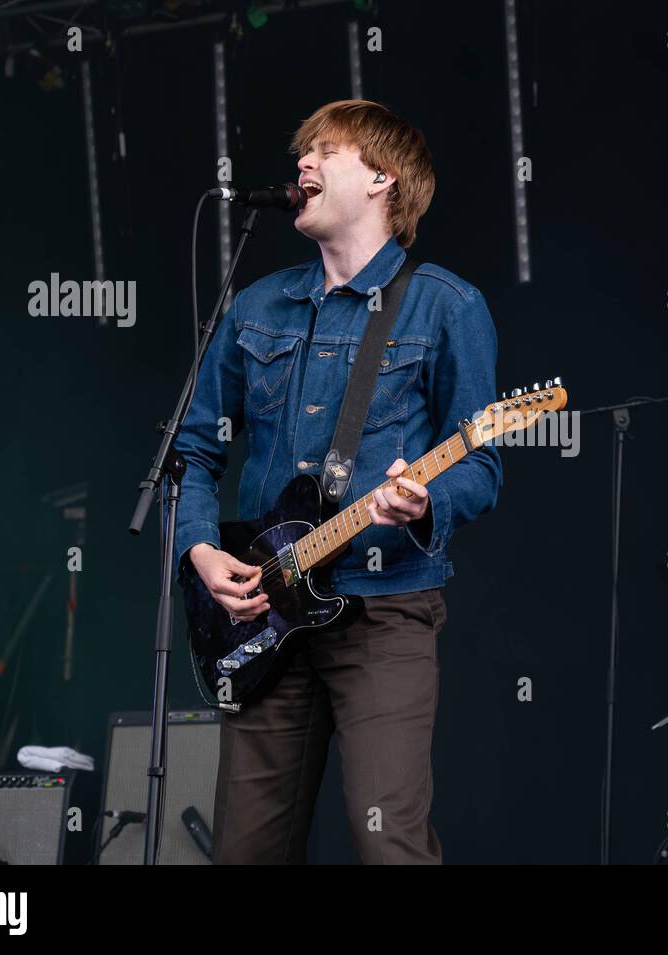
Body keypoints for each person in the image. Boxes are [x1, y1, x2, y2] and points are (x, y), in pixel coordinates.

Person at [174, 99, 502, 863]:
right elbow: (192, 448)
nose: (303, 165)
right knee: (245, 850)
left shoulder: (446, 306)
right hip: (265, 615)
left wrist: (425, 499)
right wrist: (197, 547)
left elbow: (482, 465)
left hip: (386, 615)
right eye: (302, 152)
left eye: (327, 151)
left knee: (385, 840)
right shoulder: (256, 307)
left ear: (384, 178)